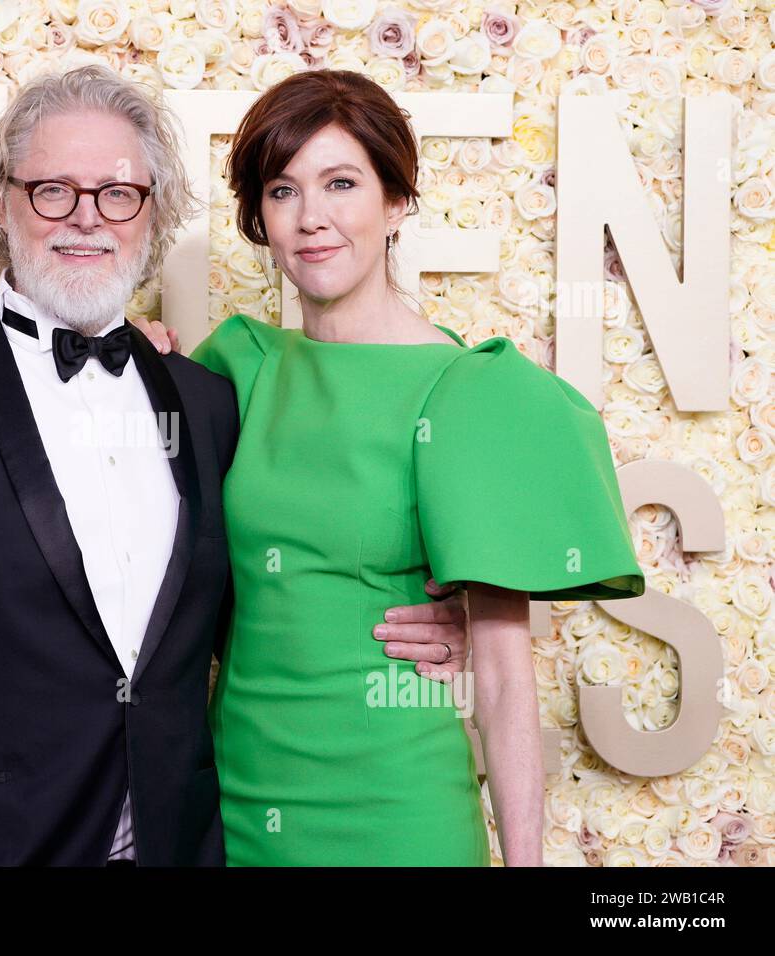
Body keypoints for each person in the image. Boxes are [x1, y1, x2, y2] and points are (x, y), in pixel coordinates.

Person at [0, 65, 472, 867]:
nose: (86, 219)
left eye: (118, 194)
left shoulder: (206, 403)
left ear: (153, 214)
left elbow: (271, 593)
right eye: (52, 191)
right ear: (2, 202)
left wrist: (441, 624)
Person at [136, 69, 645, 866]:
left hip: (401, 813)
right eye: (282, 190)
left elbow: (508, 682)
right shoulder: (237, 365)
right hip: (240, 810)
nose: (312, 219)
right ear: (259, 218)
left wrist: (526, 863)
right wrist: (125, 359)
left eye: (342, 183)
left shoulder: (471, 389)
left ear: (397, 201)